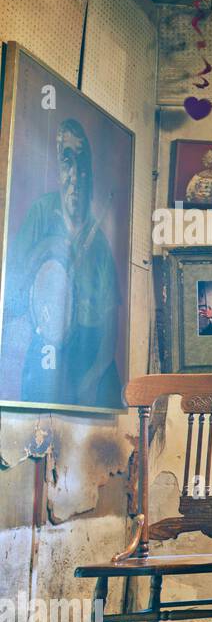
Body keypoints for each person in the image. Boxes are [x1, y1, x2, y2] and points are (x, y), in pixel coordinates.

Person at [2, 118, 121, 408]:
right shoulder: (41, 212)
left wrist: (91, 380)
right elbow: (14, 280)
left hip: (87, 352)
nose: (76, 175)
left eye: (83, 166)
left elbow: (110, 327)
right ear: (58, 170)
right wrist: (51, 248)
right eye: (67, 162)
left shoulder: (102, 244)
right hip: (43, 341)